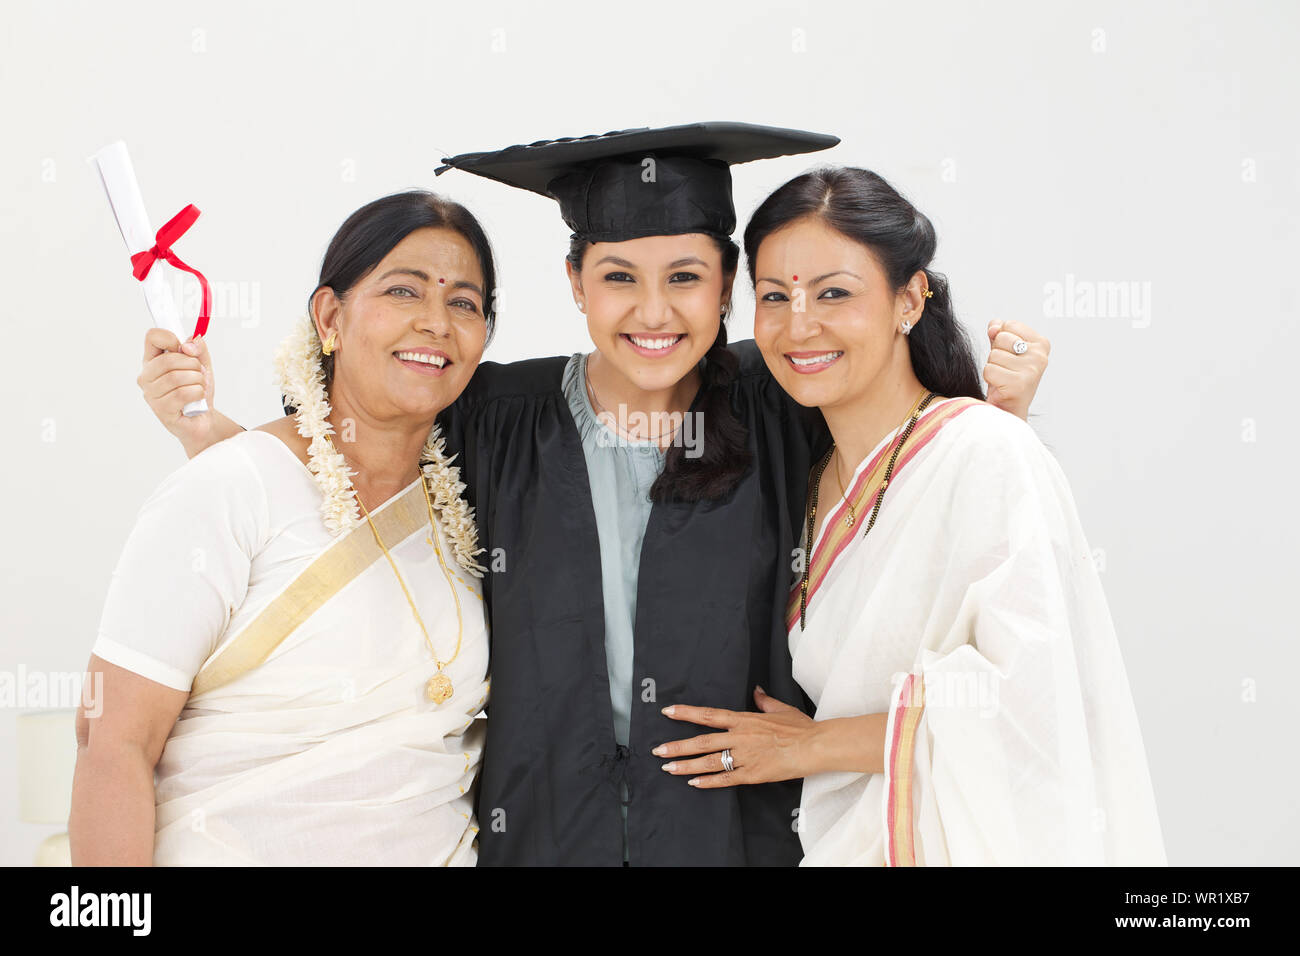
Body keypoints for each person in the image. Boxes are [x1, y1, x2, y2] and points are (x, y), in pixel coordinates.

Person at [137, 123, 1051, 865]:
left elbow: (914, 486)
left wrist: (995, 410)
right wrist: (206, 432)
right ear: (575, 283)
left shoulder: (786, 404)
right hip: (536, 836)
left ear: (728, 288)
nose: (653, 313)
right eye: (619, 277)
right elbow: (350, 470)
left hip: (737, 840)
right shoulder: (493, 417)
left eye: (686, 278)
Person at [655, 167, 1165, 865]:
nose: (799, 324)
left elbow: (1033, 707)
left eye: (835, 292)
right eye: (774, 296)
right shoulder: (807, 478)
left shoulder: (984, 452)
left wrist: (810, 746)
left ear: (909, 299)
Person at [71, 191, 495, 865]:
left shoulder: (467, 508)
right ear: (330, 316)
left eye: (464, 303)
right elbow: (110, 742)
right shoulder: (230, 486)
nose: (436, 323)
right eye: (404, 291)